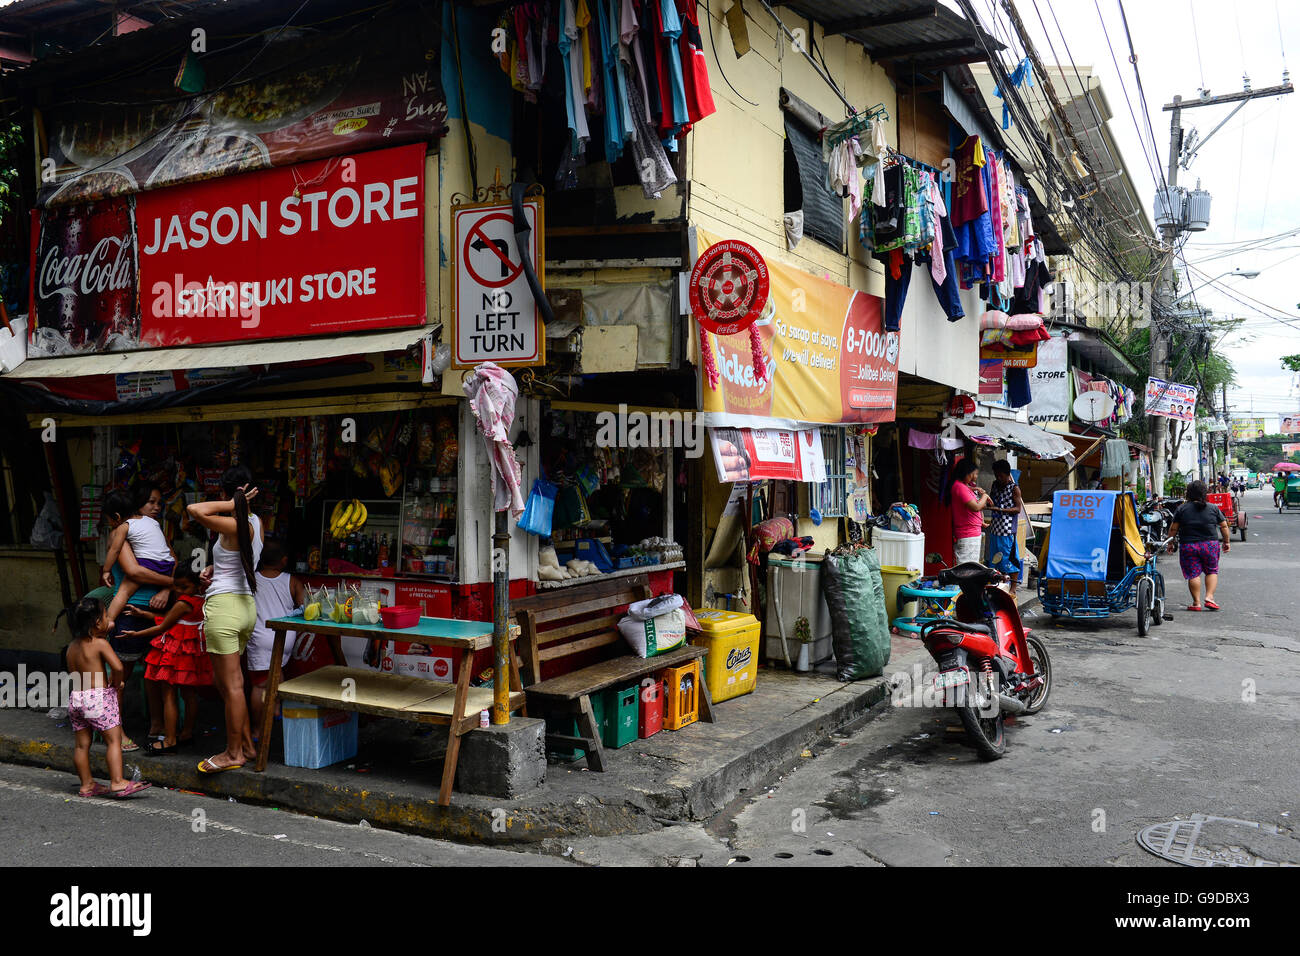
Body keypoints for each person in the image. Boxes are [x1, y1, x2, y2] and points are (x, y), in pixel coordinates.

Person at [188, 466, 263, 774]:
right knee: (228, 683)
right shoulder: (255, 521)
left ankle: (233, 753)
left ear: (227, 494)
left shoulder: (237, 521)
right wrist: (213, 570)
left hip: (226, 608)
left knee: (231, 685)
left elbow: (194, 509)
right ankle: (245, 744)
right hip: (245, 606)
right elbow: (237, 560)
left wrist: (233, 504)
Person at [63, 596, 151, 798]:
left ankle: (86, 785)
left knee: (81, 744)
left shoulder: (71, 647)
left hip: (77, 698)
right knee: (114, 741)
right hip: (98, 697)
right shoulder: (99, 643)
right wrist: (117, 681)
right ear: (97, 623)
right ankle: (118, 782)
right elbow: (118, 666)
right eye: (105, 615)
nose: (107, 620)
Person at [118, 563, 210, 755]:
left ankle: (169, 739)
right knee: (189, 694)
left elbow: (163, 627)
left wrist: (135, 634)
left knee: (168, 694)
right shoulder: (202, 601)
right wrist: (142, 613)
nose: (178, 590)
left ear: (197, 585)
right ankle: (186, 734)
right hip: (190, 653)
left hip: (174, 652)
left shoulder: (183, 602)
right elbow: (171, 619)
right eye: (176, 585)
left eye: (184, 587)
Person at [246, 540, 308, 745]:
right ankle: (276, 709)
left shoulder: (250, 579)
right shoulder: (292, 581)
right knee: (277, 669)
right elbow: (305, 607)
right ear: (283, 561)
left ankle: (257, 730)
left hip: (261, 636)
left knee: (259, 686)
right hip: (285, 637)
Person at [101, 487, 176, 627]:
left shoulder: (123, 528)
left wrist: (106, 570)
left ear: (117, 517)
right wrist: (172, 584)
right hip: (156, 601)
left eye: (159, 503)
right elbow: (172, 560)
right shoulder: (155, 525)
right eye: (151, 502)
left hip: (134, 607)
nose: (157, 508)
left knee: (124, 591)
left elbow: (131, 569)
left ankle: (109, 621)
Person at [1168, 479, 1231, 612]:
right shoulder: (1213, 508)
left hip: (1189, 545)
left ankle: (1196, 603)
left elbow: (1173, 529)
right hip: (1210, 545)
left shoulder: (1182, 509)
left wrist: (1170, 542)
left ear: (1188, 494)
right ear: (1204, 493)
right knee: (1211, 570)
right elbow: (1224, 526)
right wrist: (1226, 542)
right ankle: (1209, 597)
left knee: (1193, 574)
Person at [986, 460, 1025, 594]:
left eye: (1000, 476)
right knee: (995, 560)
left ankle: (1013, 589)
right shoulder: (995, 485)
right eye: (996, 475)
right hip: (995, 529)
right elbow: (991, 500)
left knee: (1010, 560)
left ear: (1007, 474)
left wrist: (1001, 510)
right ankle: (998, 586)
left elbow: (1018, 509)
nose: (998, 478)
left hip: (1007, 531)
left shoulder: (1014, 488)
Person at [950, 458, 991, 565]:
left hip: (971, 534)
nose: (975, 477)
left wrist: (974, 489)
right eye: (974, 474)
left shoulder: (962, 486)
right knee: (967, 570)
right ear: (967, 472)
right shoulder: (960, 487)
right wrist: (985, 496)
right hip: (968, 535)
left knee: (970, 568)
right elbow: (976, 507)